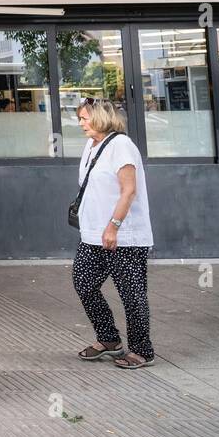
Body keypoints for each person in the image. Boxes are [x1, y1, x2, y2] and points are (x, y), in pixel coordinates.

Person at [71, 98, 156, 369]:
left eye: (85, 118)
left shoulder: (121, 146)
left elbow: (128, 190)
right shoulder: (91, 145)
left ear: (101, 118)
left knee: (131, 294)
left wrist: (113, 226)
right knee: (83, 282)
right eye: (80, 118)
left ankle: (143, 351)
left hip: (123, 235)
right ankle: (109, 338)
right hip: (93, 234)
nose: (81, 123)